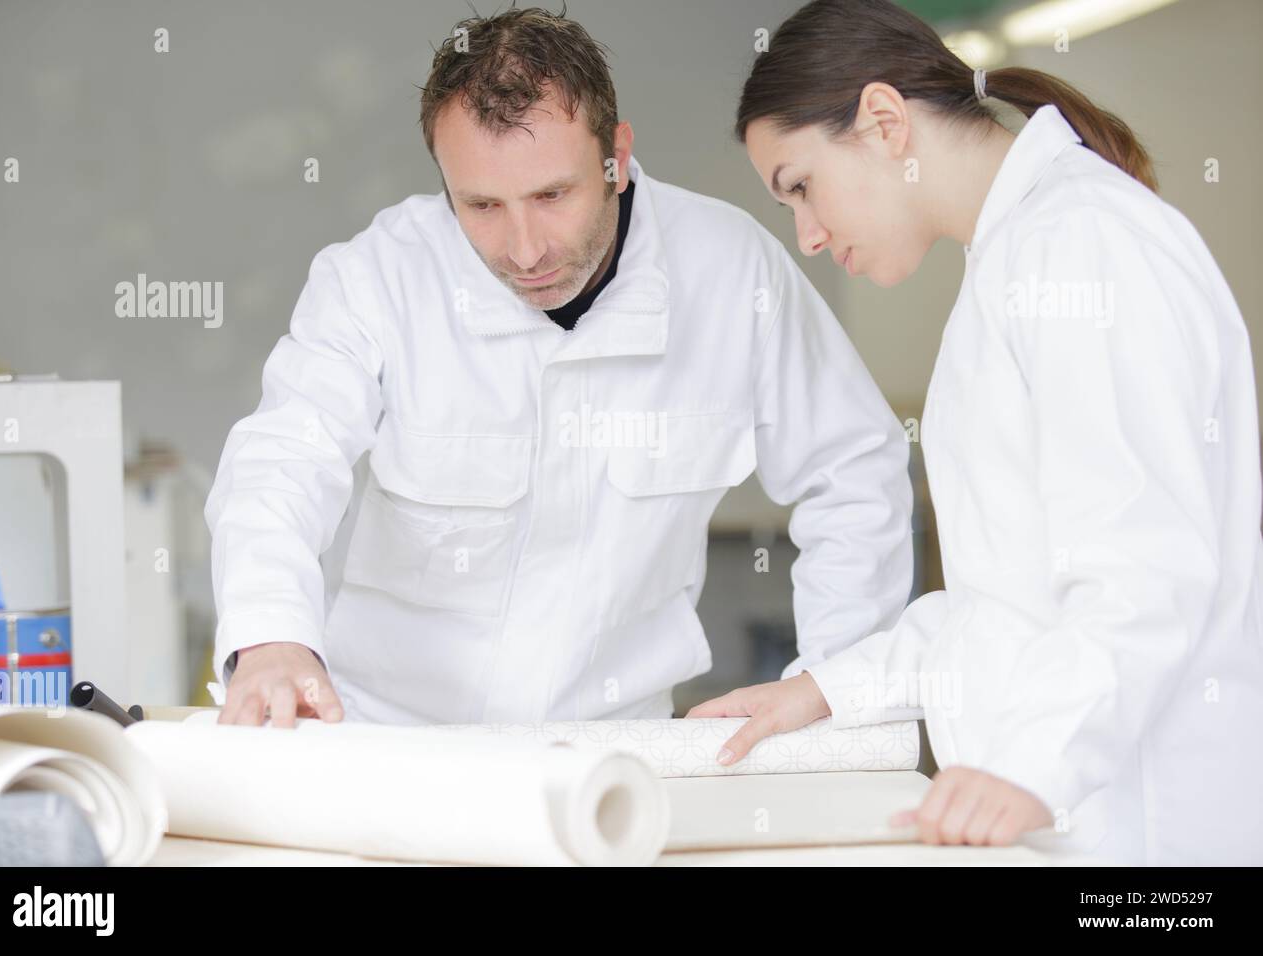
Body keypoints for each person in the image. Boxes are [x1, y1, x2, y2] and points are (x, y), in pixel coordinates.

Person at [204, 8, 914, 730]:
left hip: (615, 756)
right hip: (392, 745)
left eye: (553, 196)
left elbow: (852, 469)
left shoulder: (732, 270)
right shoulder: (377, 279)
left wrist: (833, 685)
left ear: (618, 154)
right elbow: (281, 461)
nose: (524, 249)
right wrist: (271, 638)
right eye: (480, 204)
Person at [690, 0, 1263, 865]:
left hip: (1144, 852)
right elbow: (999, 616)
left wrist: (1031, 765)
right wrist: (818, 691)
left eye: (800, 185)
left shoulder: (1084, 246)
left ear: (884, 122)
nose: (805, 236)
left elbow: (1147, 573)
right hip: (1066, 831)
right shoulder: (1014, 262)